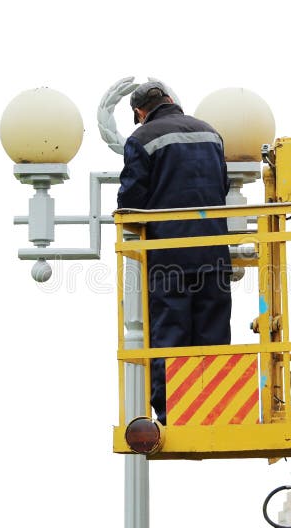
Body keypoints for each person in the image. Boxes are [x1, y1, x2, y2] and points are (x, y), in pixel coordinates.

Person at [117, 81, 232, 426]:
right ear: (170, 100)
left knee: (170, 334)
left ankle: (174, 413)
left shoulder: (142, 139)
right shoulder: (211, 133)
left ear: (141, 111)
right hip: (213, 253)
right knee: (213, 333)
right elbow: (222, 186)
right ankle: (218, 410)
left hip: (168, 255)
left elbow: (132, 200)